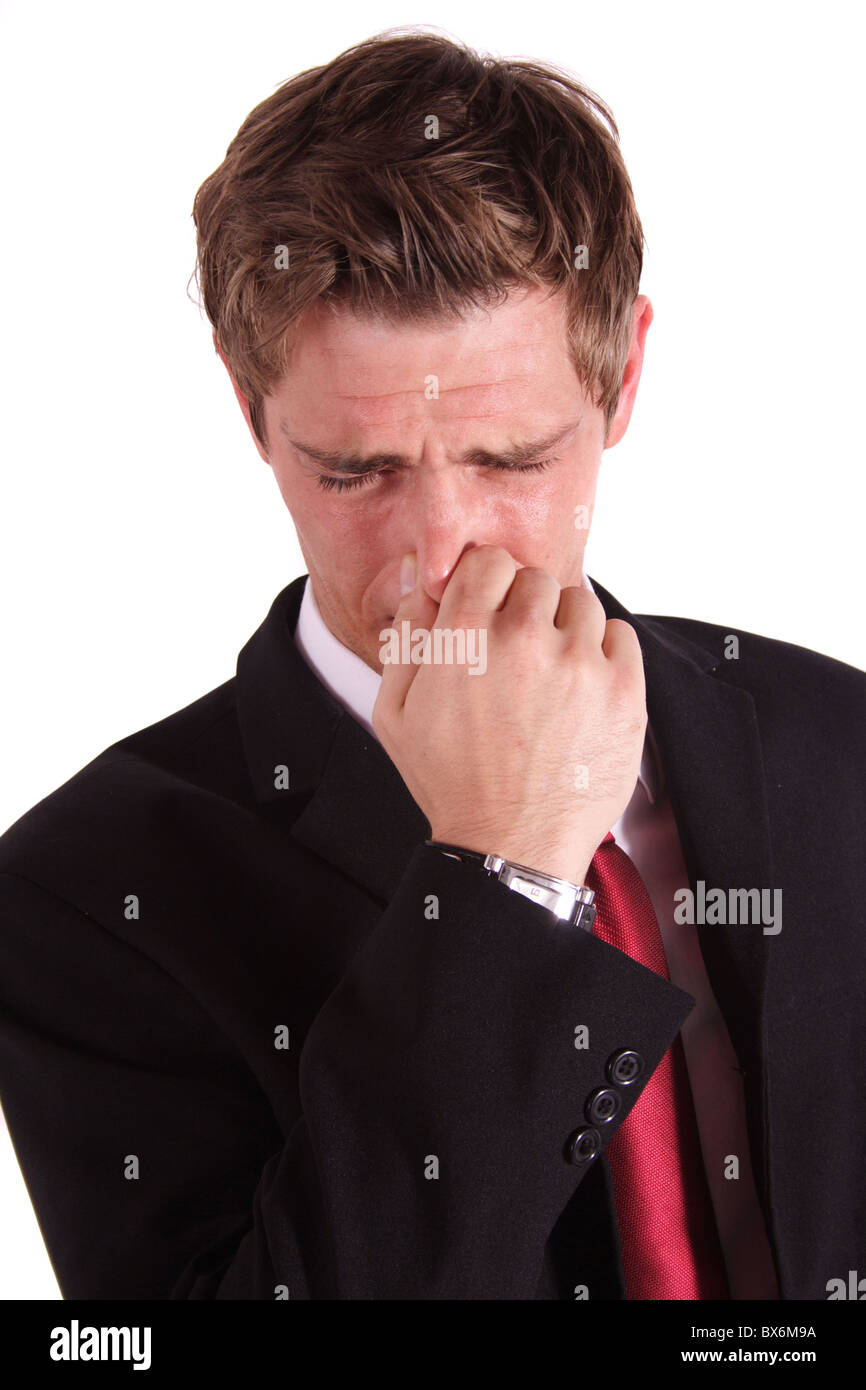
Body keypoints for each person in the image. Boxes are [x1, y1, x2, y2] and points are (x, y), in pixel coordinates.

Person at [0, 28, 863, 1302]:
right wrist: (500, 874)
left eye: (511, 459)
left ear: (621, 377)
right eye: (357, 472)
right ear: (250, 412)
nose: (436, 553)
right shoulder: (79, 896)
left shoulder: (834, 743)